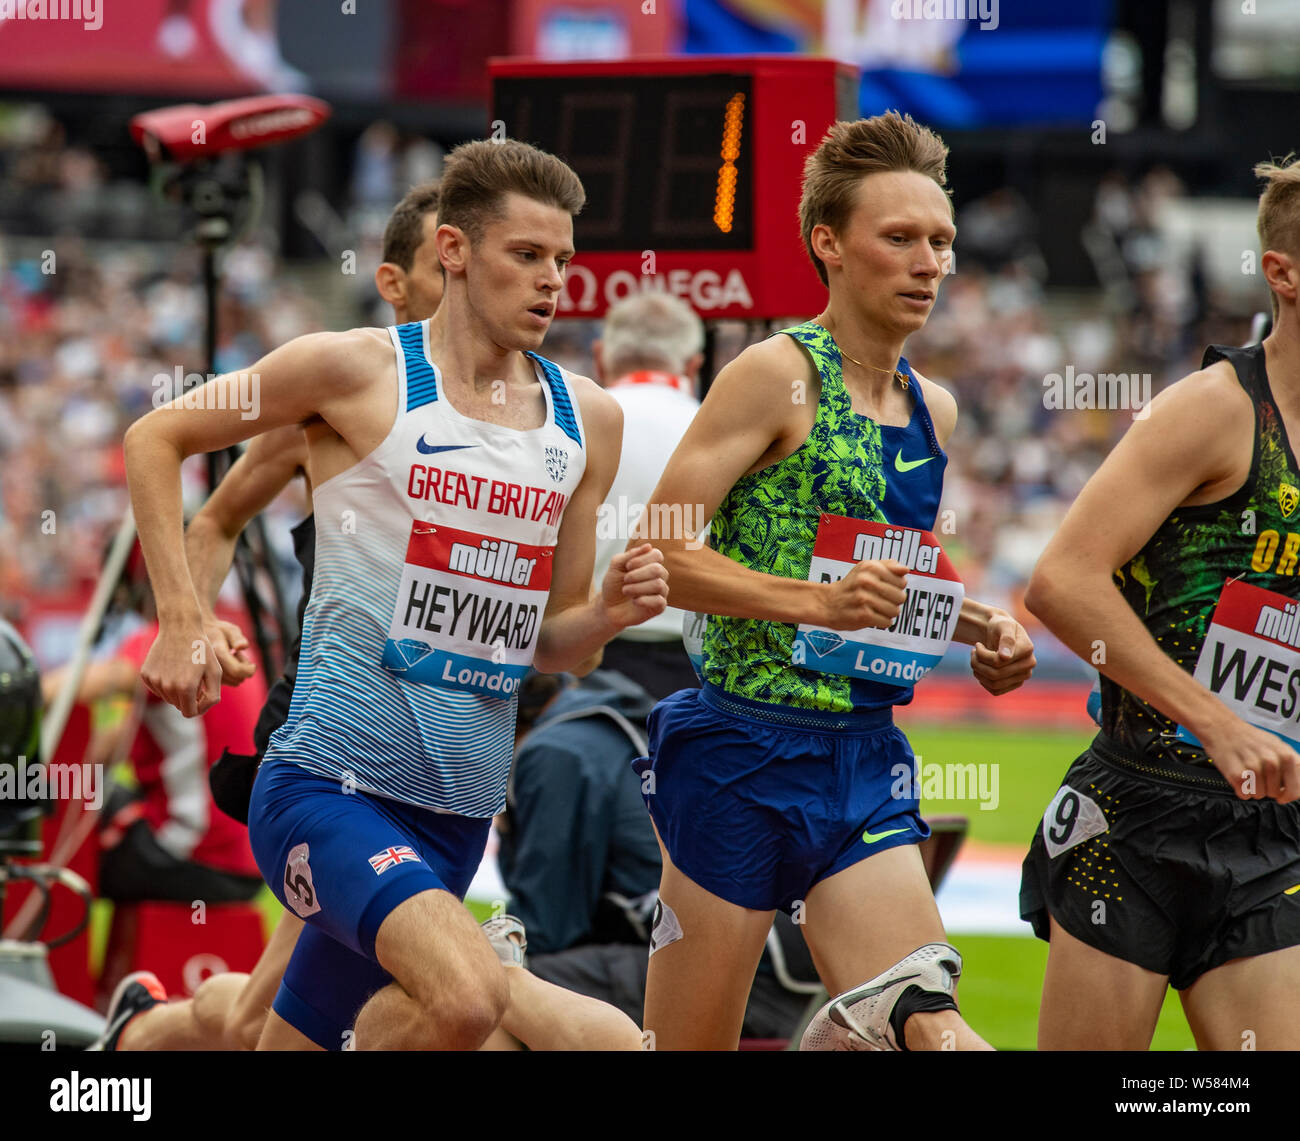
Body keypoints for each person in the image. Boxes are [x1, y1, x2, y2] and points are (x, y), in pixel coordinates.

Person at [120, 139, 669, 1052]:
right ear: (452, 251)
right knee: (467, 997)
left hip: (455, 817)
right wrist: (185, 618)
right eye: (526, 256)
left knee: (280, 1035)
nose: (552, 282)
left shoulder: (589, 422)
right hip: (326, 784)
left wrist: (609, 611)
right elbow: (156, 435)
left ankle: (136, 1042)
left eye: (564, 261)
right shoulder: (354, 371)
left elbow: (557, 646)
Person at [633, 111, 1036, 1051]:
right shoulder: (773, 375)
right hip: (739, 754)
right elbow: (658, 554)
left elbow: (884, 576)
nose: (928, 262)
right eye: (898, 239)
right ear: (829, 244)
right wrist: (817, 604)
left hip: (862, 759)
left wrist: (982, 626)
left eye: (940, 240)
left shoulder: (932, 408)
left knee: (932, 1028)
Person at [1020, 157, 1300, 1051]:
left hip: (1272, 832)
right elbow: (1061, 581)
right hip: (1137, 818)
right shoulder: (1214, 410)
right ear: (1283, 273)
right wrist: (1214, 720)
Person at [40, 613, 265, 910]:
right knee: (65, 793)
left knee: (47, 828)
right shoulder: (227, 637)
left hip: (192, 852)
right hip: (252, 858)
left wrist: (18, 689)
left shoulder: (169, 639)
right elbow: (112, 743)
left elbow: (72, 688)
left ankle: (38, 943)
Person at [591, 293, 705, 699]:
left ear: (601, 357)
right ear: (693, 366)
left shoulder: (572, 425)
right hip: (697, 660)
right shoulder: (718, 431)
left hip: (589, 649)